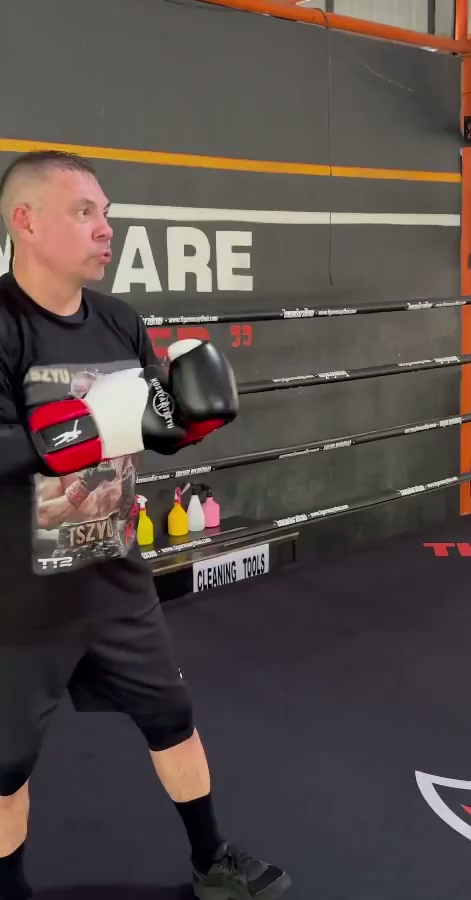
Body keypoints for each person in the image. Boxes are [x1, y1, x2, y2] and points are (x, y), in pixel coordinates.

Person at [0, 150, 291, 900]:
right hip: (19, 594)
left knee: (173, 716)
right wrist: (59, 437)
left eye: (107, 213)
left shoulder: (119, 321)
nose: (106, 228)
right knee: (5, 769)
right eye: (85, 212)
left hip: (114, 572)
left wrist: (182, 425)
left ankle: (211, 858)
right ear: (24, 221)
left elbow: (147, 426)